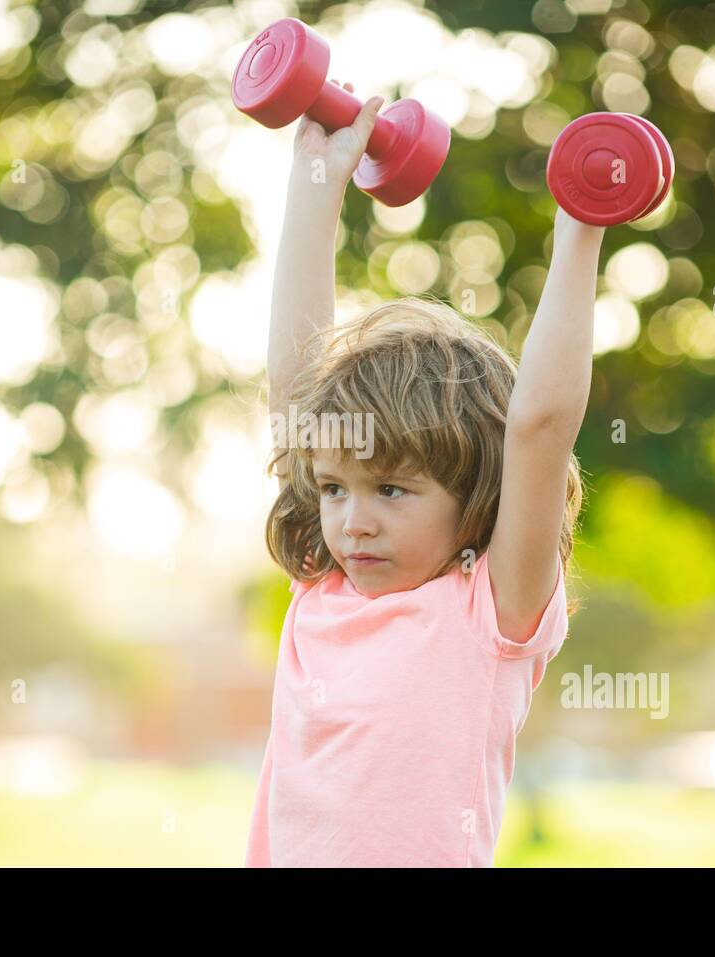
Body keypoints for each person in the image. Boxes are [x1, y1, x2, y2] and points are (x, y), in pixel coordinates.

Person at [246, 83, 604, 867]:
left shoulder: (491, 614)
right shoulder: (323, 588)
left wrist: (579, 231)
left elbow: (540, 427)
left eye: (393, 490)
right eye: (335, 488)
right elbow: (295, 382)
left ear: (475, 497)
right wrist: (318, 175)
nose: (352, 521)